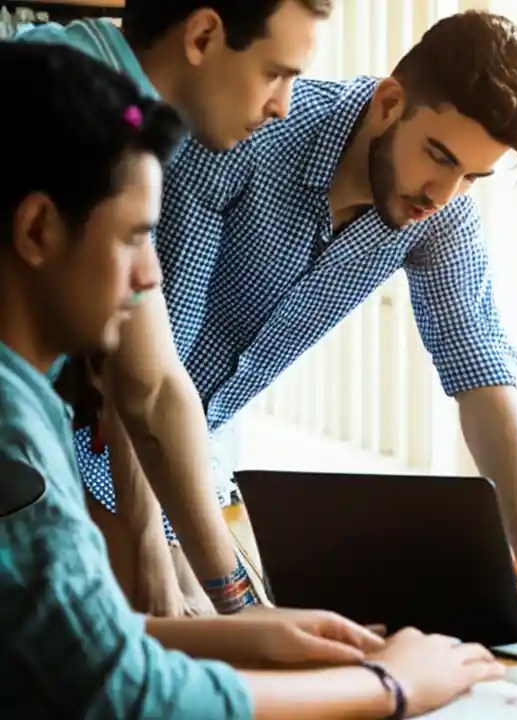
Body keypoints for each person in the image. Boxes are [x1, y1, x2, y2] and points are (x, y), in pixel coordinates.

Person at [0, 41, 503, 719]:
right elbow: (114, 689)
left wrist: (238, 627)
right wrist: (388, 688)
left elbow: (50, 639)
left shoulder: (27, 404)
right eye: (133, 239)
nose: (152, 279)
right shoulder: (13, 433)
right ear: (36, 229)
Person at [79, 8, 517, 620]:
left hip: (195, 450)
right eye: (438, 156)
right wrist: (158, 554)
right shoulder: (244, 132)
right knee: (173, 630)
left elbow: (483, 378)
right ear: (390, 103)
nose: (444, 194)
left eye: (474, 176)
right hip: (95, 426)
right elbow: (143, 371)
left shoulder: (442, 212)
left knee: (240, 639)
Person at [12, 0, 332, 614]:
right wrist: (241, 608)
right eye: (275, 73)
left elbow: (132, 375)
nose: (282, 107)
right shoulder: (76, 115)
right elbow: (150, 386)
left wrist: (160, 554)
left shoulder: (102, 90)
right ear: (204, 34)